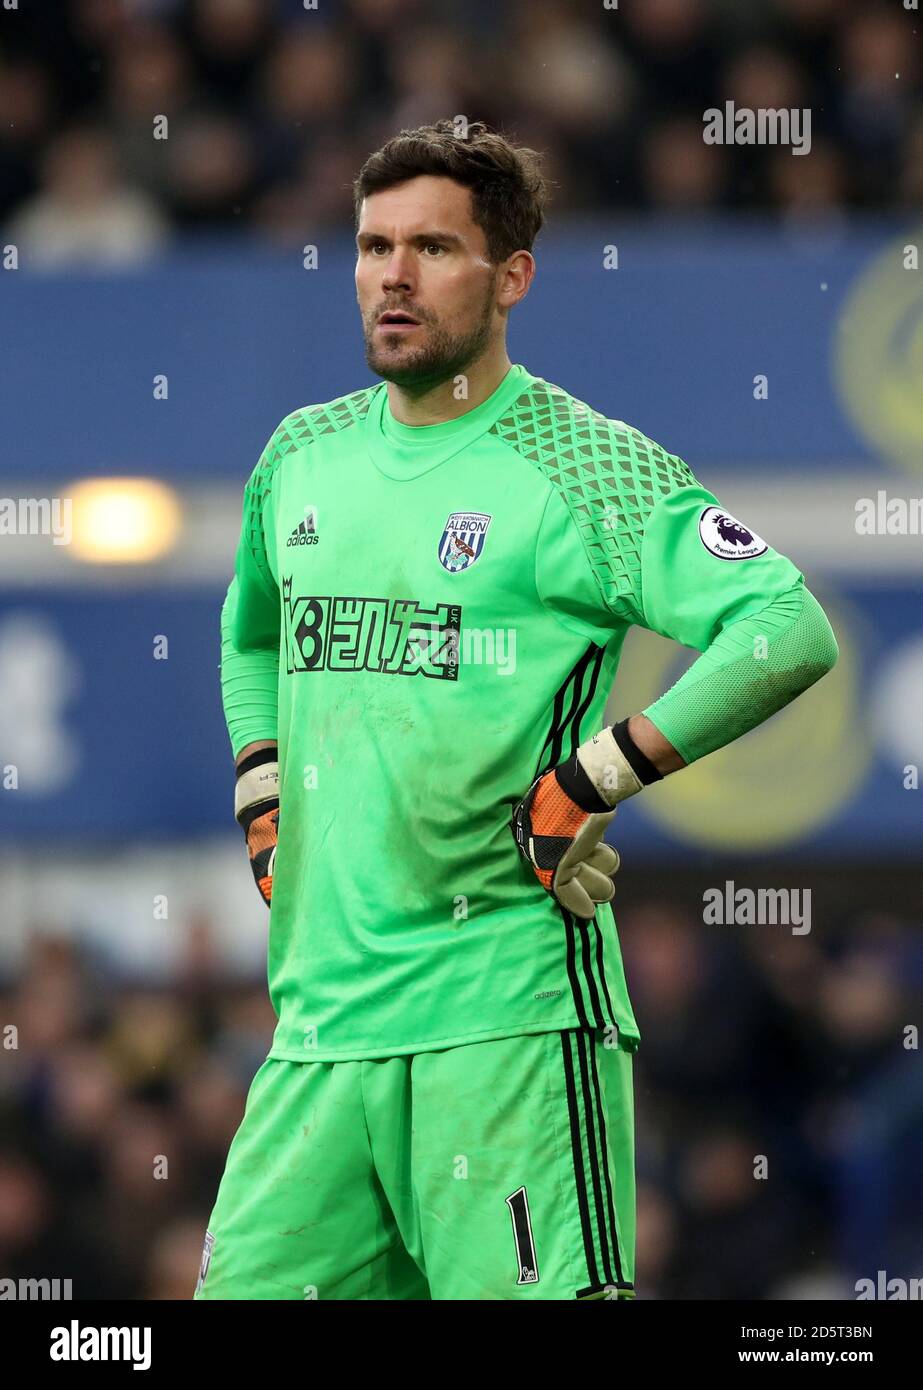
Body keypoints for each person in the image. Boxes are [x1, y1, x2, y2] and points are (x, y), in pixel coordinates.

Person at [195, 119, 837, 1301]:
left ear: (510, 277)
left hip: (507, 1024)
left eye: (432, 247)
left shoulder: (584, 465)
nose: (391, 274)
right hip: (316, 1034)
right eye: (372, 245)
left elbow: (780, 626)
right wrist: (262, 784)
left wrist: (590, 779)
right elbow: (249, 635)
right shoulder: (301, 454)